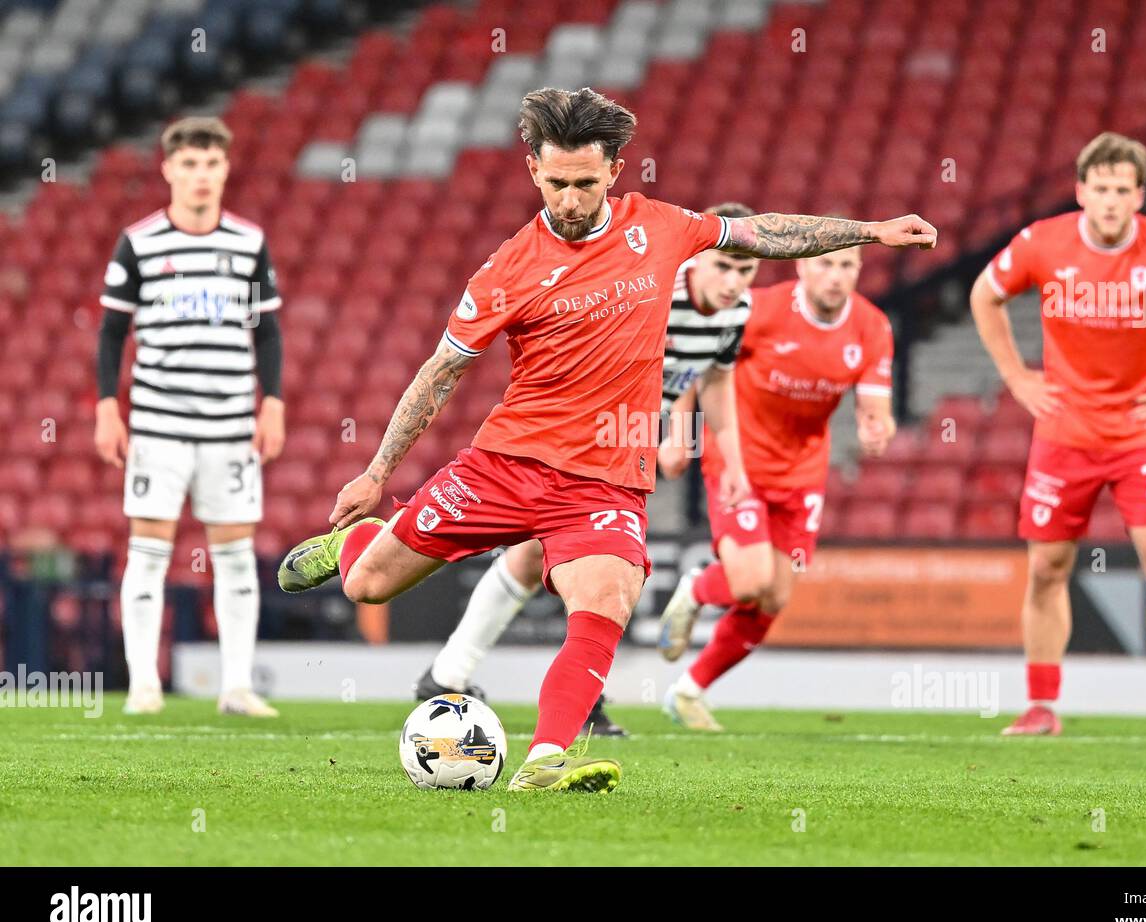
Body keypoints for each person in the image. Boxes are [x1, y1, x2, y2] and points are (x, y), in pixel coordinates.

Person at [278, 87, 937, 792]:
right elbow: (440, 374)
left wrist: (869, 231)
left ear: (615, 171)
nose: (569, 199)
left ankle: (545, 758)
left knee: (607, 600)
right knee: (367, 585)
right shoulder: (507, 269)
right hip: (504, 463)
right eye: (556, 183)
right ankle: (359, 541)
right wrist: (377, 471)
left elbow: (763, 234)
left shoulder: (661, 227)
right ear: (533, 170)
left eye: (585, 183)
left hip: (603, 480)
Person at [411, 202, 762, 737]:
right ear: (698, 259)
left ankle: (448, 674)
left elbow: (709, 377)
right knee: (603, 565)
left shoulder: (736, 314)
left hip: (629, 438)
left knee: (540, 559)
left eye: (746, 270)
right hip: (588, 434)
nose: (734, 280)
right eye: (724, 266)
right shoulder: (657, 287)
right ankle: (567, 697)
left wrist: (696, 443)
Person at [968, 132, 1146, 740]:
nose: (1112, 201)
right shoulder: (1043, 241)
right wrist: (1017, 377)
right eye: (1101, 189)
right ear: (1080, 191)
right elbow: (984, 296)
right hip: (1063, 433)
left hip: (1140, 435)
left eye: (1123, 190)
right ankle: (1041, 706)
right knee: (1047, 568)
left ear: (1140, 195)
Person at [658, 246, 897, 729]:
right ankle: (698, 588)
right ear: (801, 266)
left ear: (859, 271)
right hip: (737, 458)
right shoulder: (759, 310)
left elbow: (876, 407)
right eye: (825, 264)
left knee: (773, 598)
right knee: (749, 580)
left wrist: (879, 429)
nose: (835, 276)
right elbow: (693, 362)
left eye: (847, 265)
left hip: (804, 471)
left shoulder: (872, 327)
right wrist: (677, 436)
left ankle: (688, 692)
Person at [95, 116, 285, 717]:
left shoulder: (249, 243)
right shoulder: (140, 241)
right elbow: (110, 333)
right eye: (190, 164)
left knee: (233, 553)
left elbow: (270, 331)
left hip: (230, 425)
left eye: (211, 164)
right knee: (148, 550)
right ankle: (145, 684)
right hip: (157, 422)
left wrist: (272, 402)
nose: (201, 175)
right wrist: (107, 407)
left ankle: (236, 687)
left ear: (226, 169)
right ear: (168, 169)